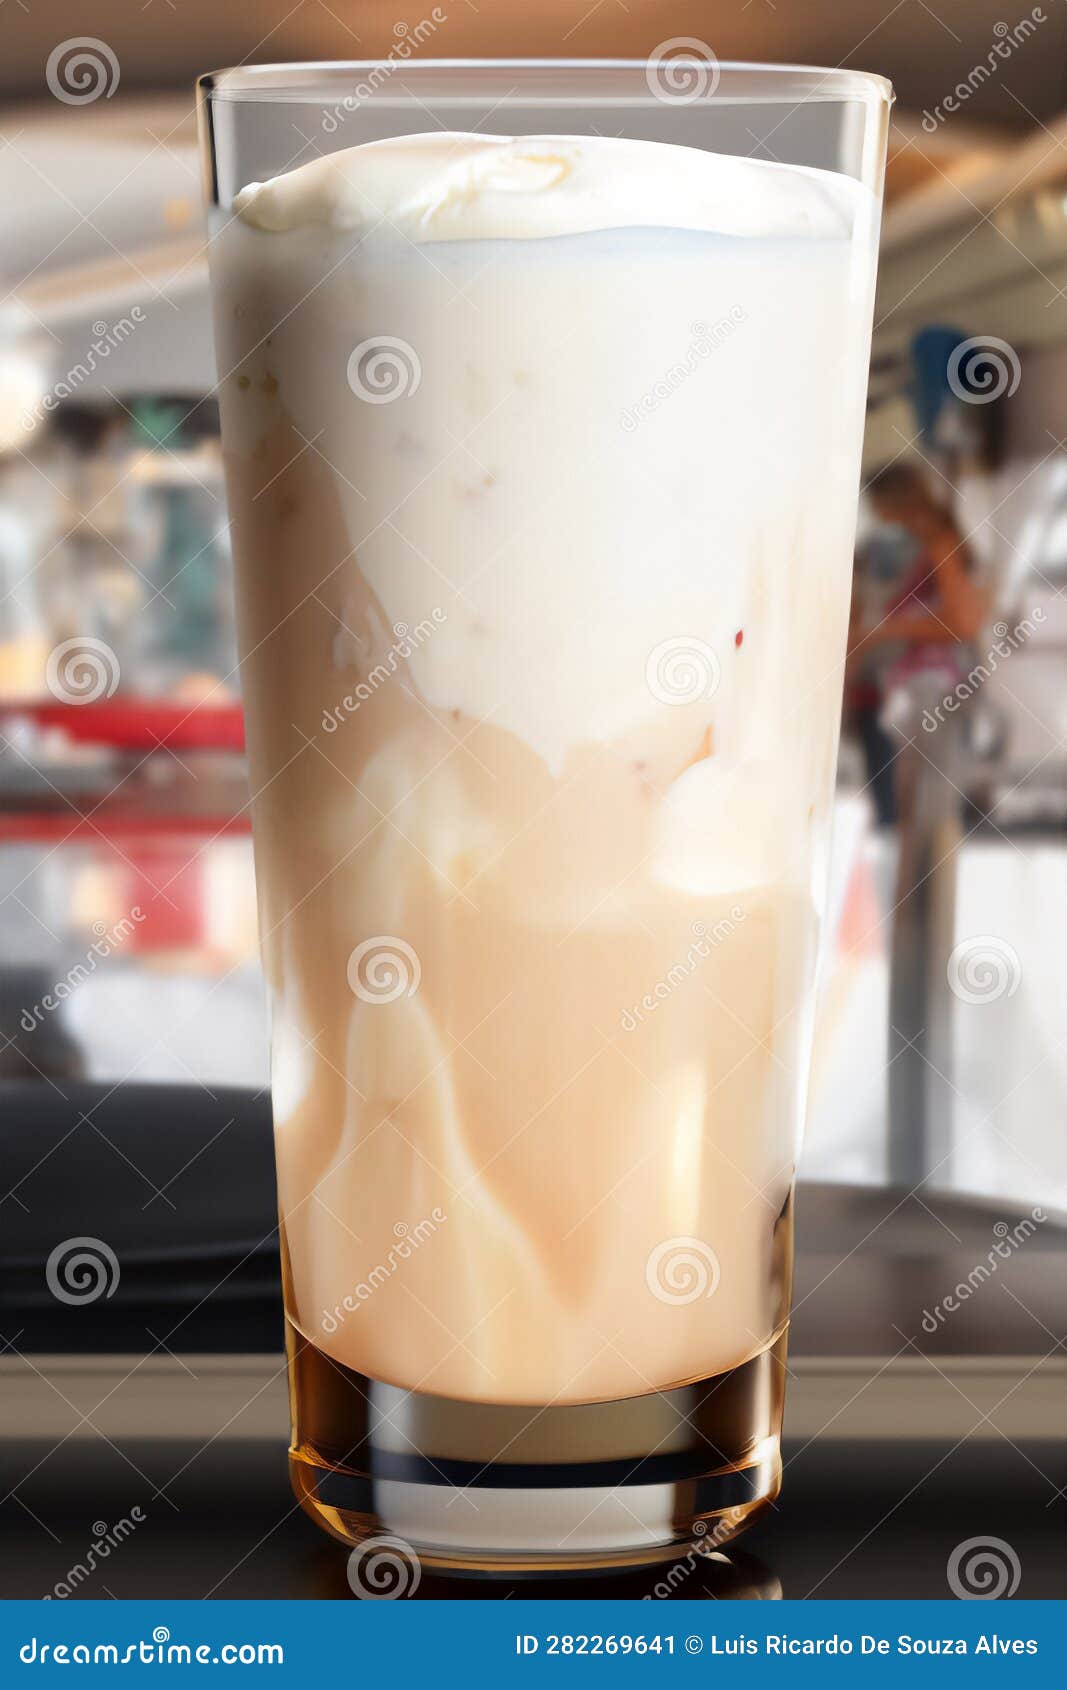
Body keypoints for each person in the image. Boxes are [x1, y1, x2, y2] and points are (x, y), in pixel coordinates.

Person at [846, 461, 987, 824]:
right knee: (899, 819)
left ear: (894, 502)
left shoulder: (941, 541)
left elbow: (964, 622)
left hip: (931, 699)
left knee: (919, 821)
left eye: (877, 506)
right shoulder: (913, 545)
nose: (877, 516)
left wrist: (887, 631)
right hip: (899, 699)